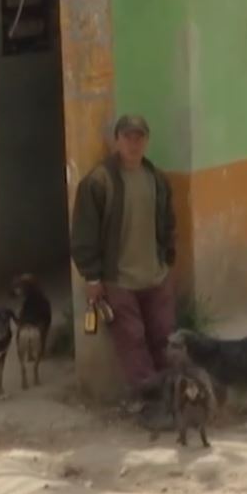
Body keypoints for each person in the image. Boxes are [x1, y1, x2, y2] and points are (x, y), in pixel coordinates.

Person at [70, 114, 177, 391]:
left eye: (139, 137)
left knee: (165, 338)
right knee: (132, 342)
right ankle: (148, 399)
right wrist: (93, 279)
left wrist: (167, 261)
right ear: (116, 141)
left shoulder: (156, 179)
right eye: (127, 137)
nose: (133, 143)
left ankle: (170, 395)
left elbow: (167, 223)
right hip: (118, 280)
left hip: (155, 277)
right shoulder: (98, 181)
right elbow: (84, 234)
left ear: (146, 141)